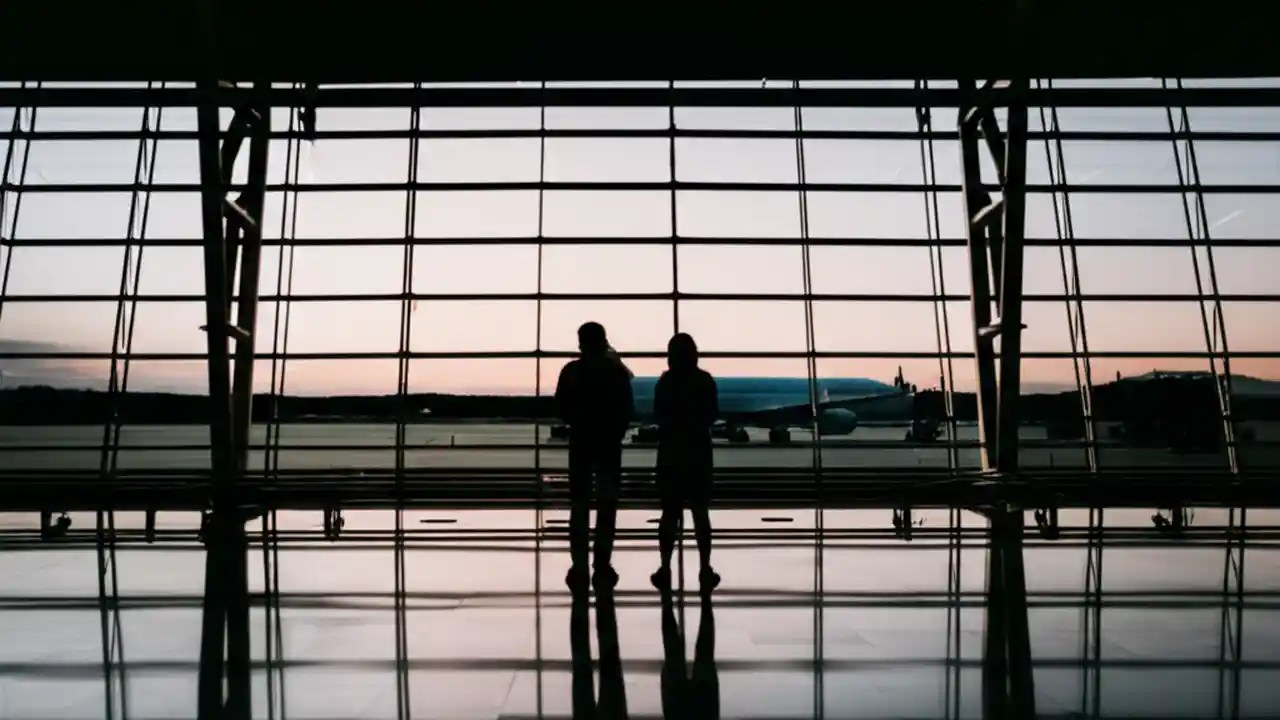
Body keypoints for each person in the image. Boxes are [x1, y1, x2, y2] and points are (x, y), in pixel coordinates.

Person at [555, 321, 634, 590]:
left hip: (581, 443)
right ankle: (602, 564)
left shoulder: (571, 372)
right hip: (609, 445)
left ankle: (579, 565)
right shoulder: (617, 372)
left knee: (579, 507)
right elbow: (626, 409)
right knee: (606, 506)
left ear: (581, 342)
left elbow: (561, 407)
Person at [651, 333, 720, 591]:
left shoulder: (666, 382)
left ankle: (665, 567)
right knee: (700, 513)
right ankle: (704, 568)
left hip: (670, 452)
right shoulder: (705, 381)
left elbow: (658, 414)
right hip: (699, 452)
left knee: (669, 514)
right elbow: (712, 415)